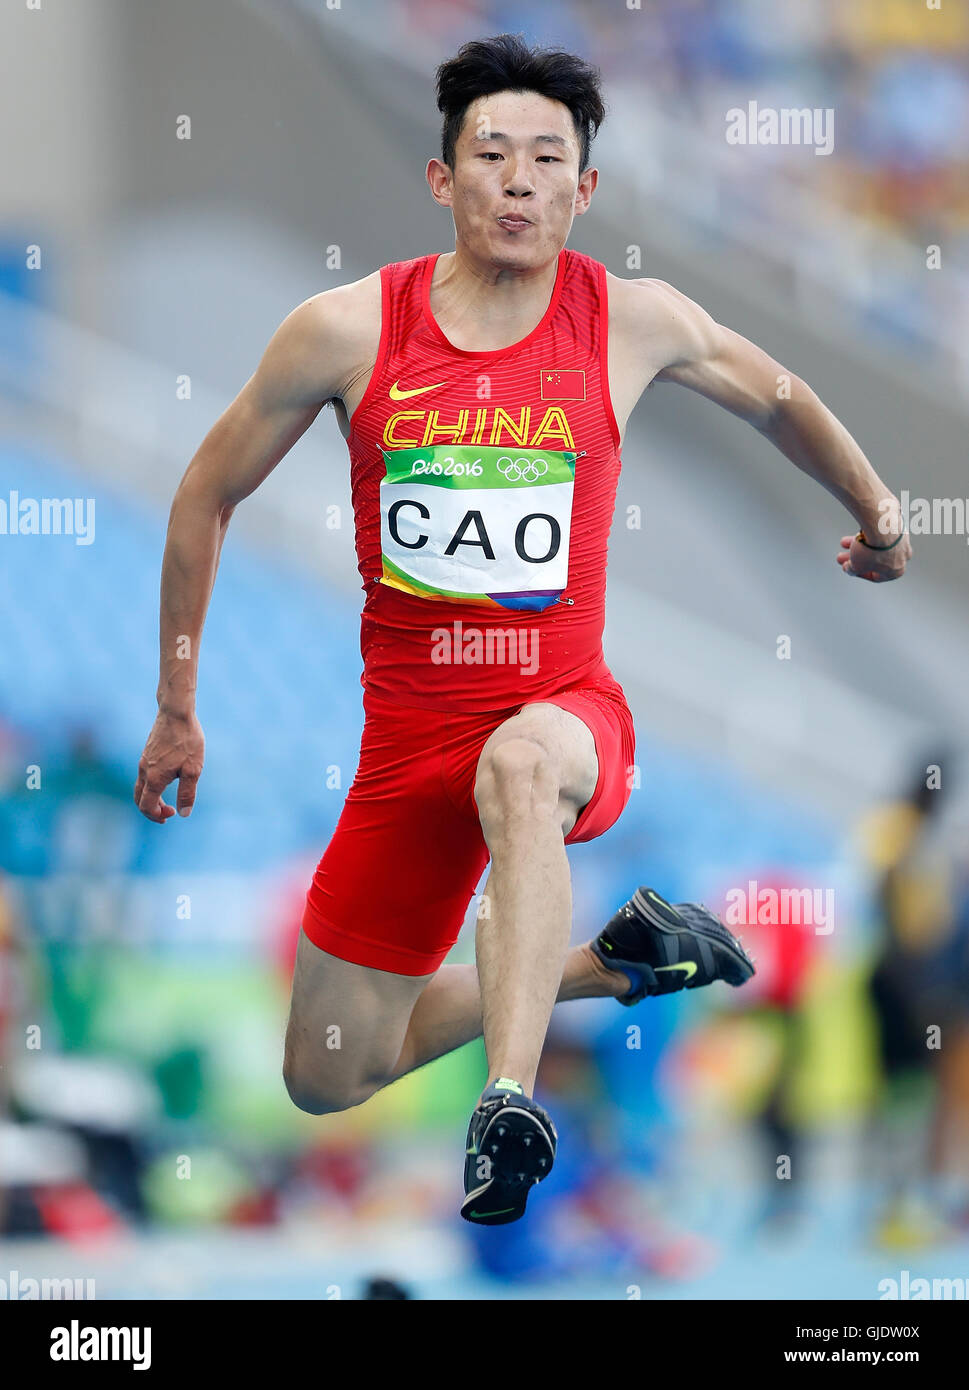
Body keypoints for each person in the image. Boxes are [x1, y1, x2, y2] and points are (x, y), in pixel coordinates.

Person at [134, 34, 909, 1224]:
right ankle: (619, 962)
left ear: (585, 190)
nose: (520, 178)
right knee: (327, 1068)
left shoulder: (629, 320)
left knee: (520, 762)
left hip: (566, 721)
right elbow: (205, 492)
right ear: (441, 178)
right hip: (405, 754)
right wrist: (178, 705)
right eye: (491, 153)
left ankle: (509, 1101)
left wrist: (876, 508)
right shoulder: (345, 331)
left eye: (549, 157)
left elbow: (779, 396)